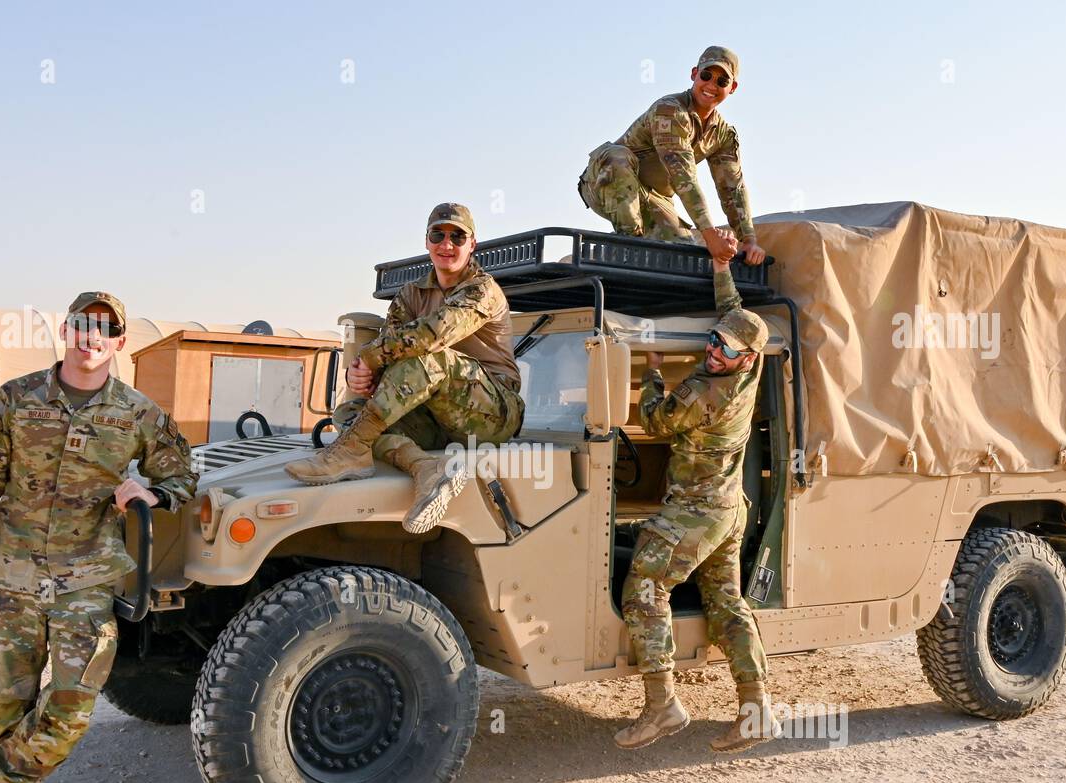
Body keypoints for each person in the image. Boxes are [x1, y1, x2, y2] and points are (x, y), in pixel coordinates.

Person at [0, 290, 197, 783]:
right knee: (3, 713)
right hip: (14, 581)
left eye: (104, 330)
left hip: (87, 583)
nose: (91, 338)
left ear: (118, 343)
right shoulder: (14, 401)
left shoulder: (139, 414)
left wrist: (152, 492)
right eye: (83, 326)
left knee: (70, 712)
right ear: (66, 330)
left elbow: (183, 475)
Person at [287, 203, 524, 534]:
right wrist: (359, 374)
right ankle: (425, 468)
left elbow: (432, 336)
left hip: (492, 415)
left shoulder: (483, 290)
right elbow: (389, 352)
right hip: (434, 414)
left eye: (458, 236)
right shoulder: (411, 295)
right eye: (438, 235)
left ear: (473, 244)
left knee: (428, 358)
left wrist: (371, 356)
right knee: (352, 414)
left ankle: (351, 450)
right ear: (427, 242)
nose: (447, 244)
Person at [617, 277, 781, 753]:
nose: (715, 350)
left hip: (695, 512)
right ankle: (756, 709)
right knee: (727, 604)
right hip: (728, 509)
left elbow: (653, 422)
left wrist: (651, 371)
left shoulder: (705, 392)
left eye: (726, 348)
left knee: (644, 588)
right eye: (714, 339)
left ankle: (662, 704)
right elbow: (733, 310)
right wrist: (722, 265)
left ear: (746, 359)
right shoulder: (749, 370)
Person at [578, 45, 766, 268]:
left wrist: (748, 240)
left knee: (683, 255)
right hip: (604, 181)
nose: (711, 85)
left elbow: (732, 188)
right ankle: (627, 244)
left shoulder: (722, 134)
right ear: (694, 74)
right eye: (706, 76)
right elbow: (683, 176)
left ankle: (628, 247)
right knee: (617, 158)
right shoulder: (669, 111)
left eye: (721, 81)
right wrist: (709, 233)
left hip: (654, 196)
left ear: (732, 87)